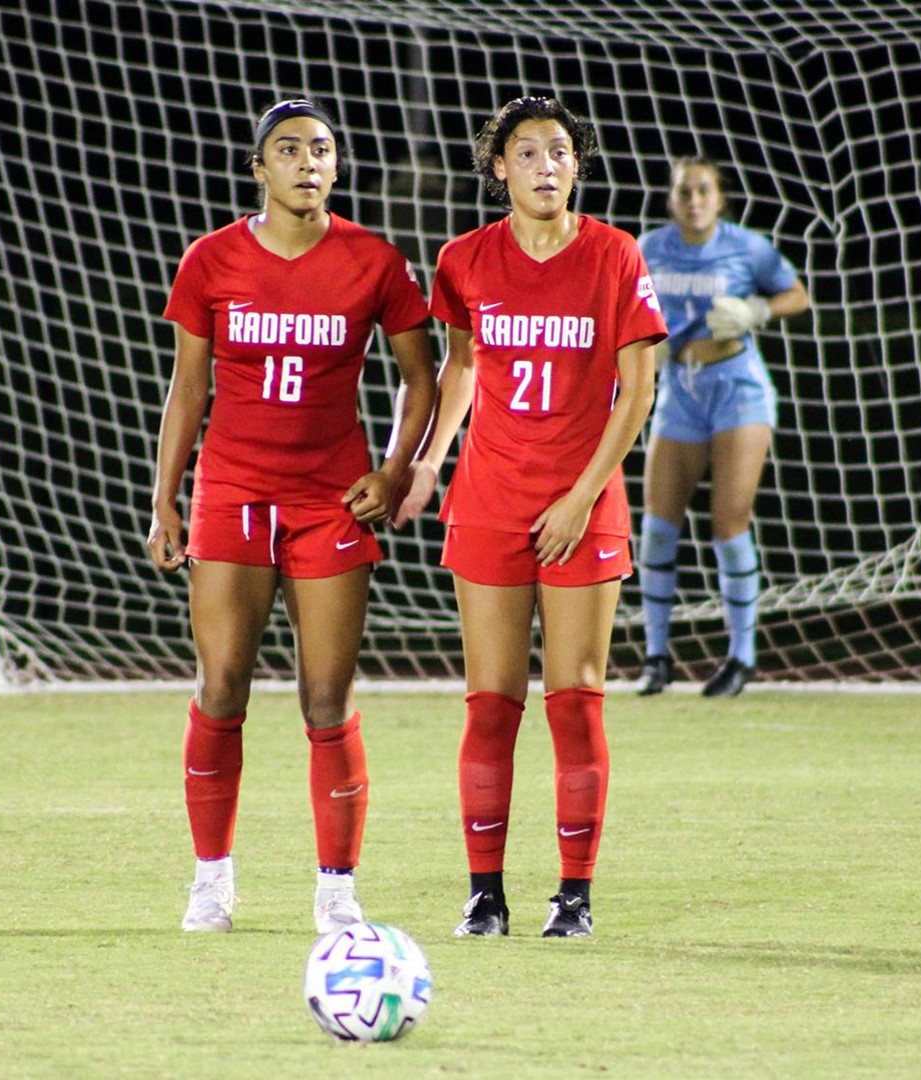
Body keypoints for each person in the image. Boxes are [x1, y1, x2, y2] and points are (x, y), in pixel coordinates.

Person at [150, 99, 437, 934]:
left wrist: (395, 469)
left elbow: (422, 379)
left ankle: (337, 892)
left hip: (329, 498)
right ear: (259, 169)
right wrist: (166, 498)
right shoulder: (210, 259)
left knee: (325, 698)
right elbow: (189, 388)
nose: (307, 161)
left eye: (321, 148)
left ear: (336, 167)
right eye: (288, 149)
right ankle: (211, 881)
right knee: (221, 686)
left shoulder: (374, 260)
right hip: (233, 493)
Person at [394, 96, 666, 938]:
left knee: (576, 700)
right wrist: (429, 460)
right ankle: (485, 896)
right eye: (527, 152)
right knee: (491, 703)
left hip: (584, 503)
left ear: (577, 165)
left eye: (559, 151)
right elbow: (463, 366)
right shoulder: (465, 258)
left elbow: (638, 392)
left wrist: (581, 498)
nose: (546, 165)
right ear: (498, 168)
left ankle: (574, 898)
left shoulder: (615, 255)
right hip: (489, 500)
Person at [634, 158, 809, 698]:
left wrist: (757, 312)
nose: (694, 200)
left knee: (730, 521)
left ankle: (741, 658)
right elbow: (623, 309)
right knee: (658, 524)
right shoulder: (648, 249)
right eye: (684, 191)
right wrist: (642, 345)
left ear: (720, 198)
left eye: (703, 191)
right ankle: (656, 658)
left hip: (737, 388)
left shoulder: (746, 247)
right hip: (679, 390)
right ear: (670, 199)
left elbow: (797, 294)